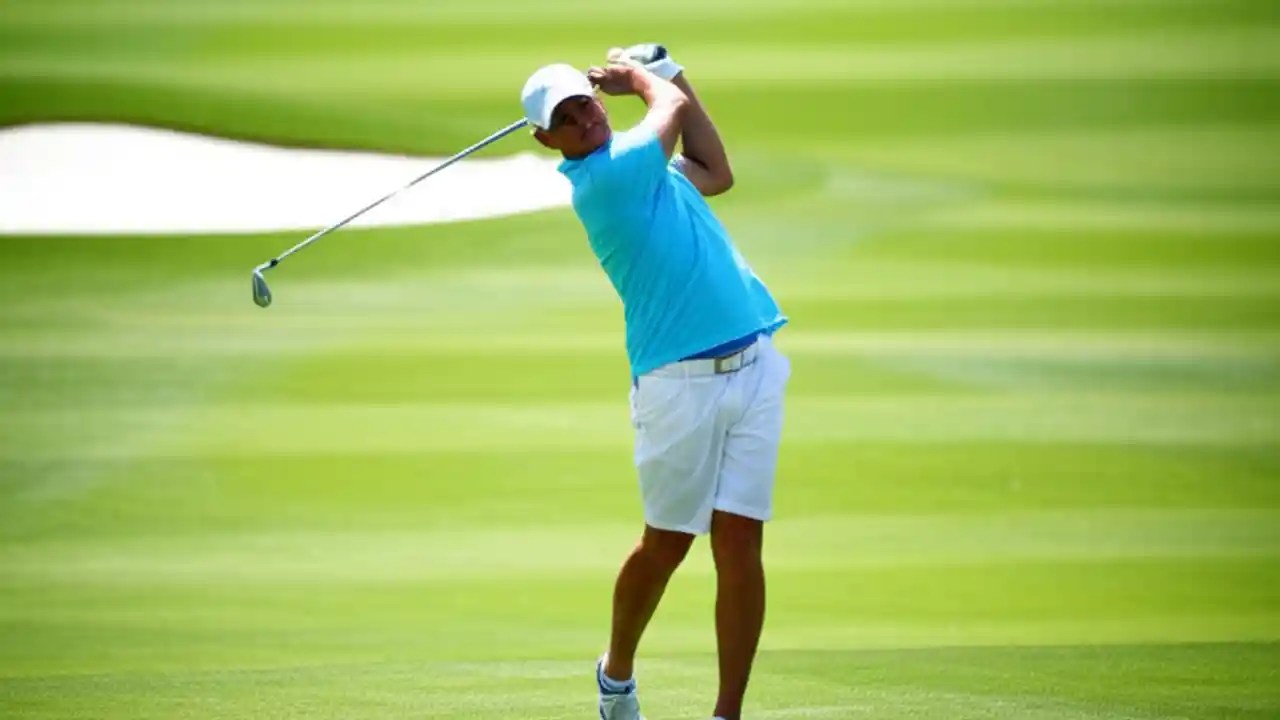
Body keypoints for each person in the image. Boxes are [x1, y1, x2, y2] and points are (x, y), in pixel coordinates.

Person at [519, 45, 790, 720]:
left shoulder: (649, 170)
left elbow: (717, 171)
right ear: (546, 140)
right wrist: (642, 78)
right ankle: (616, 674)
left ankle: (727, 712)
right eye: (566, 116)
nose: (583, 117)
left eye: (585, 102)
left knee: (740, 543)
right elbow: (667, 112)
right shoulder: (605, 179)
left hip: (754, 364)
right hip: (679, 381)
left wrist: (672, 69)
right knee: (667, 542)